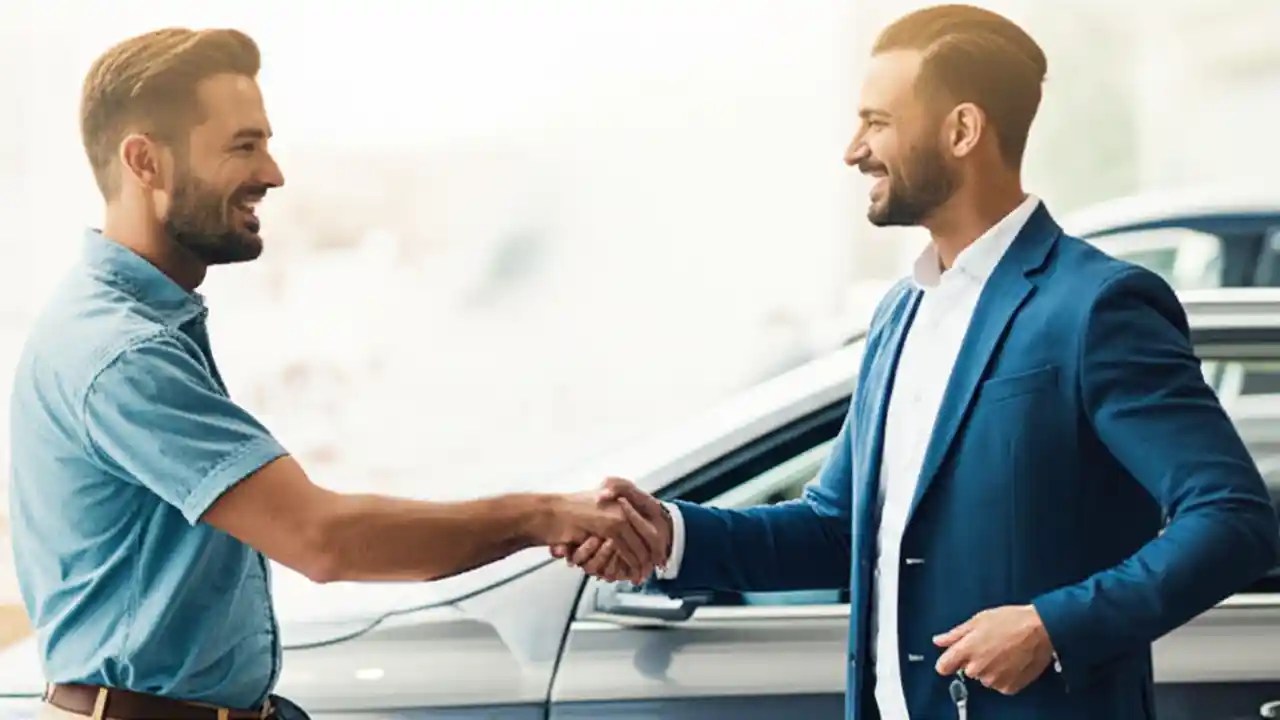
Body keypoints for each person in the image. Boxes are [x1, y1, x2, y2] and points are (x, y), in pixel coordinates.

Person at [555, 4, 1280, 719]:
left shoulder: (1097, 308)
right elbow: (836, 529)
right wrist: (666, 535)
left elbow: (1232, 518)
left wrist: (1054, 627)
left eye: (877, 122)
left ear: (961, 129)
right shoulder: (899, 314)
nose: (852, 150)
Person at [7, 27, 665, 720]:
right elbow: (322, 540)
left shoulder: (129, 326)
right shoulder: (121, 353)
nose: (272, 173)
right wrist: (542, 515)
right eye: (243, 145)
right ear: (145, 161)